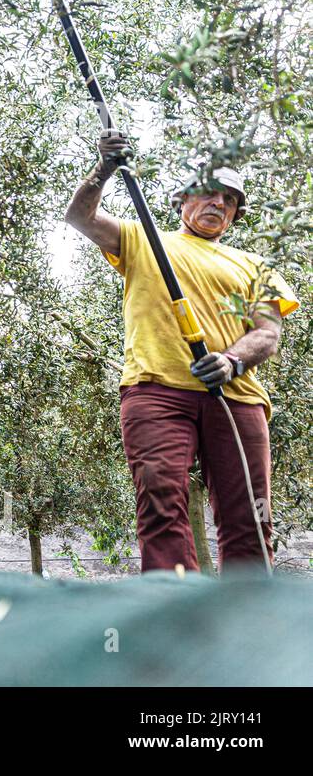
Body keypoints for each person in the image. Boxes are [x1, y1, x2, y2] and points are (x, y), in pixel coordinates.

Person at [65, 129, 300, 573]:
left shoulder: (255, 266)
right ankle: (175, 609)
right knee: (159, 501)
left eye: (228, 201)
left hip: (236, 397)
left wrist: (232, 360)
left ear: (235, 214)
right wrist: (105, 168)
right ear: (182, 201)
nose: (217, 204)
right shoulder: (142, 239)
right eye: (207, 194)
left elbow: (267, 334)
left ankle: (249, 616)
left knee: (251, 515)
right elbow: (80, 217)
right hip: (155, 390)